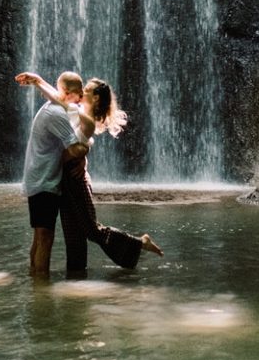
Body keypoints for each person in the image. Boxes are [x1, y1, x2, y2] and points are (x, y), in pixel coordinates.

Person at [16, 71, 163, 273]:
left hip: (74, 179)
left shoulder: (83, 116)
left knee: (90, 228)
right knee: (73, 234)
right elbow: (60, 97)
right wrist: (38, 82)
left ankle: (138, 243)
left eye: (86, 90)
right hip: (63, 178)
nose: (82, 91)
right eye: (80, 89)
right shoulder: (74, 110)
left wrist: (39, 82)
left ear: (94, 98)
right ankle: (76, 276)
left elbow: (60, 100)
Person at [18, 69, 88, 276]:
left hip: (40, 179)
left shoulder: (56, 106)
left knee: (40, 236)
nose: (82, 96)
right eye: (78, 92)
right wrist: (87, 147)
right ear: (67, 93)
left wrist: (38, 80)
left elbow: (54, 93)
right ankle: (41, 289)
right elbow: (75, 148)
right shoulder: (56, 114)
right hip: (44, 181)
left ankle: (35, 280)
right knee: (45, 237)